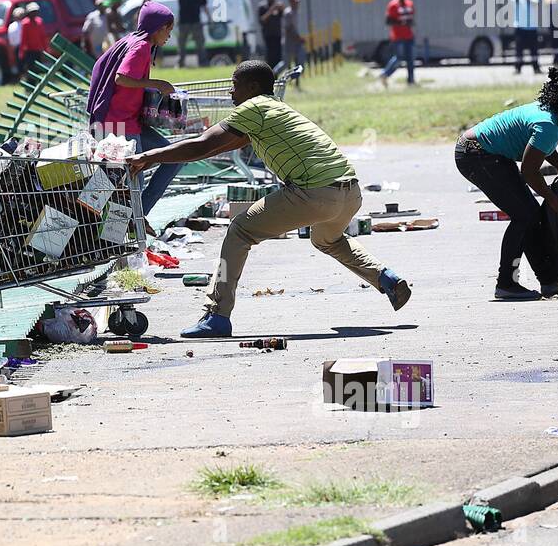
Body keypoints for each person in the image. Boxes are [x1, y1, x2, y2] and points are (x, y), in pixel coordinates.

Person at [127, 60, 411, 338]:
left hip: (313, 193)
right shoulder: (278, 109)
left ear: (252, 87)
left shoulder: (254, 108)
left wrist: (148, 156)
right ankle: (385, 277)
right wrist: (165, 156)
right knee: (328, 240)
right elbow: (214, 148)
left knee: (239, 231)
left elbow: (203, 144)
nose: (230, 92)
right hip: (349, 192)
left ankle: (217, 315)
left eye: (235, 85)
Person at [455, 64, 558, 300]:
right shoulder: (549, 123)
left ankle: (548, 281)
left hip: (490, 153)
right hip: (475, 154)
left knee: (530, 214)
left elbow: (538, 146)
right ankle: (506, 283)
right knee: (525, 215)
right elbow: (530, 171)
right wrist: (552, 199)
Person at [87, 0, 183, 216]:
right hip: (120, 124)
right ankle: (135, 222)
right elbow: (121, 78)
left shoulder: (133, 40)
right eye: (168, 30)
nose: (169, 35)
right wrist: (157, 84)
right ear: (157, 28)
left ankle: (139, 216)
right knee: (134, 185)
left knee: (173, 157)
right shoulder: (141, 47)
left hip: (128, 121)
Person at [168, 0, 209, 67]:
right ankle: (180, 64)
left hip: (196, 22)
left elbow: (204, 6)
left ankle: (203, 63)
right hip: (183, 23)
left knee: (200, 44)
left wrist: (209, 18)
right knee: (181, 45)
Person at [379, 0, 415, 86]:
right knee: (398, 58)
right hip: (398, 36)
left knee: (411, 59)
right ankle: (385, 74)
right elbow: (388, 21)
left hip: (409, 35)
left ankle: (411, 80)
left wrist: (410, 23)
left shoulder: (410, 4)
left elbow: (411, 18)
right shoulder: (393, 5)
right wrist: (401, 23)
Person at [511, 0, 541, 75]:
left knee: (534, 49)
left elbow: (535, 3)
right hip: (520, 28)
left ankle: (536, 68)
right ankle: (518, 68)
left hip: (532, 28)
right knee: (519, 50)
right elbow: (514, 1)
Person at [258, 0, 286, 70]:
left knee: (278, 55)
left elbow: (285, 15)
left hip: (277, 34)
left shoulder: (278, 5)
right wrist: (271, 10)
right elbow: (262, 20)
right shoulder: (262, 6)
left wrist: (282, 8)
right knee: (270, 56)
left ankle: (277, 73)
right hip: (268, 35)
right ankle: (270, 72)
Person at [18, 2, 49, 76]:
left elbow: (42, 37)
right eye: (32, 12)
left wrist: (45, 50)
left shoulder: (39, 21)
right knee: (30, 69)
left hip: (38, 50)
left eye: (35, 11)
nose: (34, 13)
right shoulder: (25, 23)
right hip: (29, 51)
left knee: (38, 69)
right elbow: (23, 38)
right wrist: (22, 52)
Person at [282, 0, 304, 89]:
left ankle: (296, 81)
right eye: (295, 2)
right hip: (289, 42)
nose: (297, 4)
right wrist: (298, 38)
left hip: (296, 42)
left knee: (299, 62)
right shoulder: (288, 13)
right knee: (287, 63)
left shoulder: (296, 12)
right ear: (291, 2)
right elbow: (288, 28)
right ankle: (280, 75)